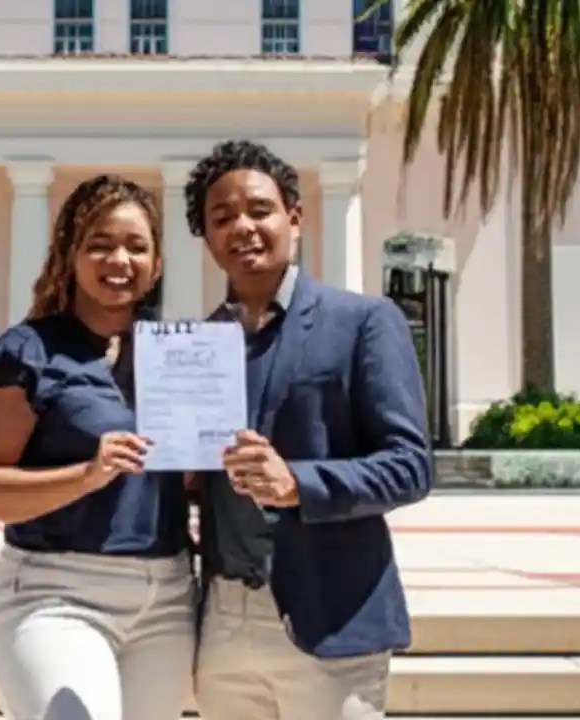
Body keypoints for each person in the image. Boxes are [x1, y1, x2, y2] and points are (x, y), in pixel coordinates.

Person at [183, 139, 434, 719]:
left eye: (259, 210)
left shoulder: (364, 322)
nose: (242, 226)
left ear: (294, 217)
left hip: (332, 616)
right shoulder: (197, 346)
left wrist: (296, 482)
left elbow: (411, 466)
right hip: (223, 620)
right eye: (222, 218)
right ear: (206, 237)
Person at [0, 174, 194, 720]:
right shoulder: (28, 351)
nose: (120, 259)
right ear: (71, 254)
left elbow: (182, 483)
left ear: (157, 264)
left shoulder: (178, 354)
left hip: (167, 598)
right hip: (56, 593)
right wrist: (86, 474)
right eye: (100, 244)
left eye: (137, 247)